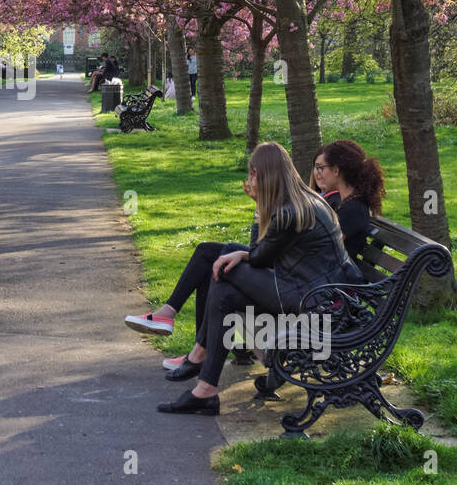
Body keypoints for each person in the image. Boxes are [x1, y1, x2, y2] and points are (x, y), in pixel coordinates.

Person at [156, 142, 360, 415]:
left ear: (263, 174)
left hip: (315, 302)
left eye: (253, 173)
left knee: (224, 266)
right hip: (315, 293)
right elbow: (260, 254)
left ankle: (202, 366)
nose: (251, 179)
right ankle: (205, 386)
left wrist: (257, 209)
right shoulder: (302, 200)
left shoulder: (291, 211)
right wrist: (241, 252)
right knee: (226, 283)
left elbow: (259, 256)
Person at [313, 139, 385, 261]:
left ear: (336, 170)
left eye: (321, 168)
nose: (317, 173)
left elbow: (323, 247)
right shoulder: (348, 202)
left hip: (338, 277)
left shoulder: (354, 209)